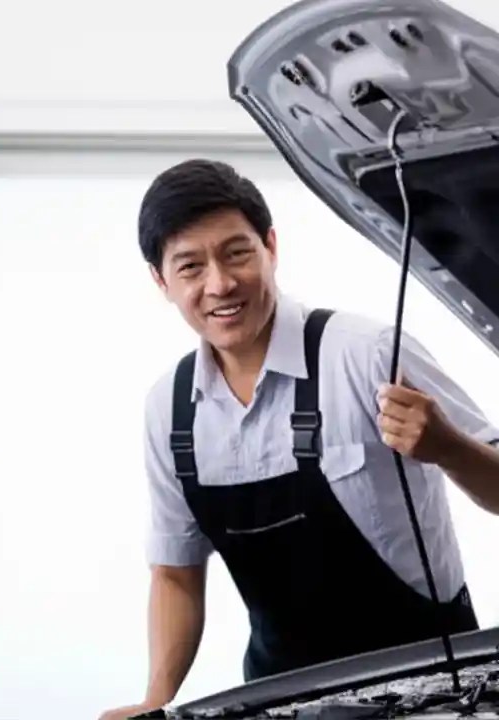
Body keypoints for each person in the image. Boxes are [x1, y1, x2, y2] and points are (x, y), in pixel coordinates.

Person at [100, 159, 499, 720]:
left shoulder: (367, 353)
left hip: (431, 696)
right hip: (281, 704)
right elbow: (175, 573)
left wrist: (449, 447)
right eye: (190, 266)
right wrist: (156, 702)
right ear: (162, 282)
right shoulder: (166, 409)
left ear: (270, 247)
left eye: (236, 252)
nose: (219, 284)